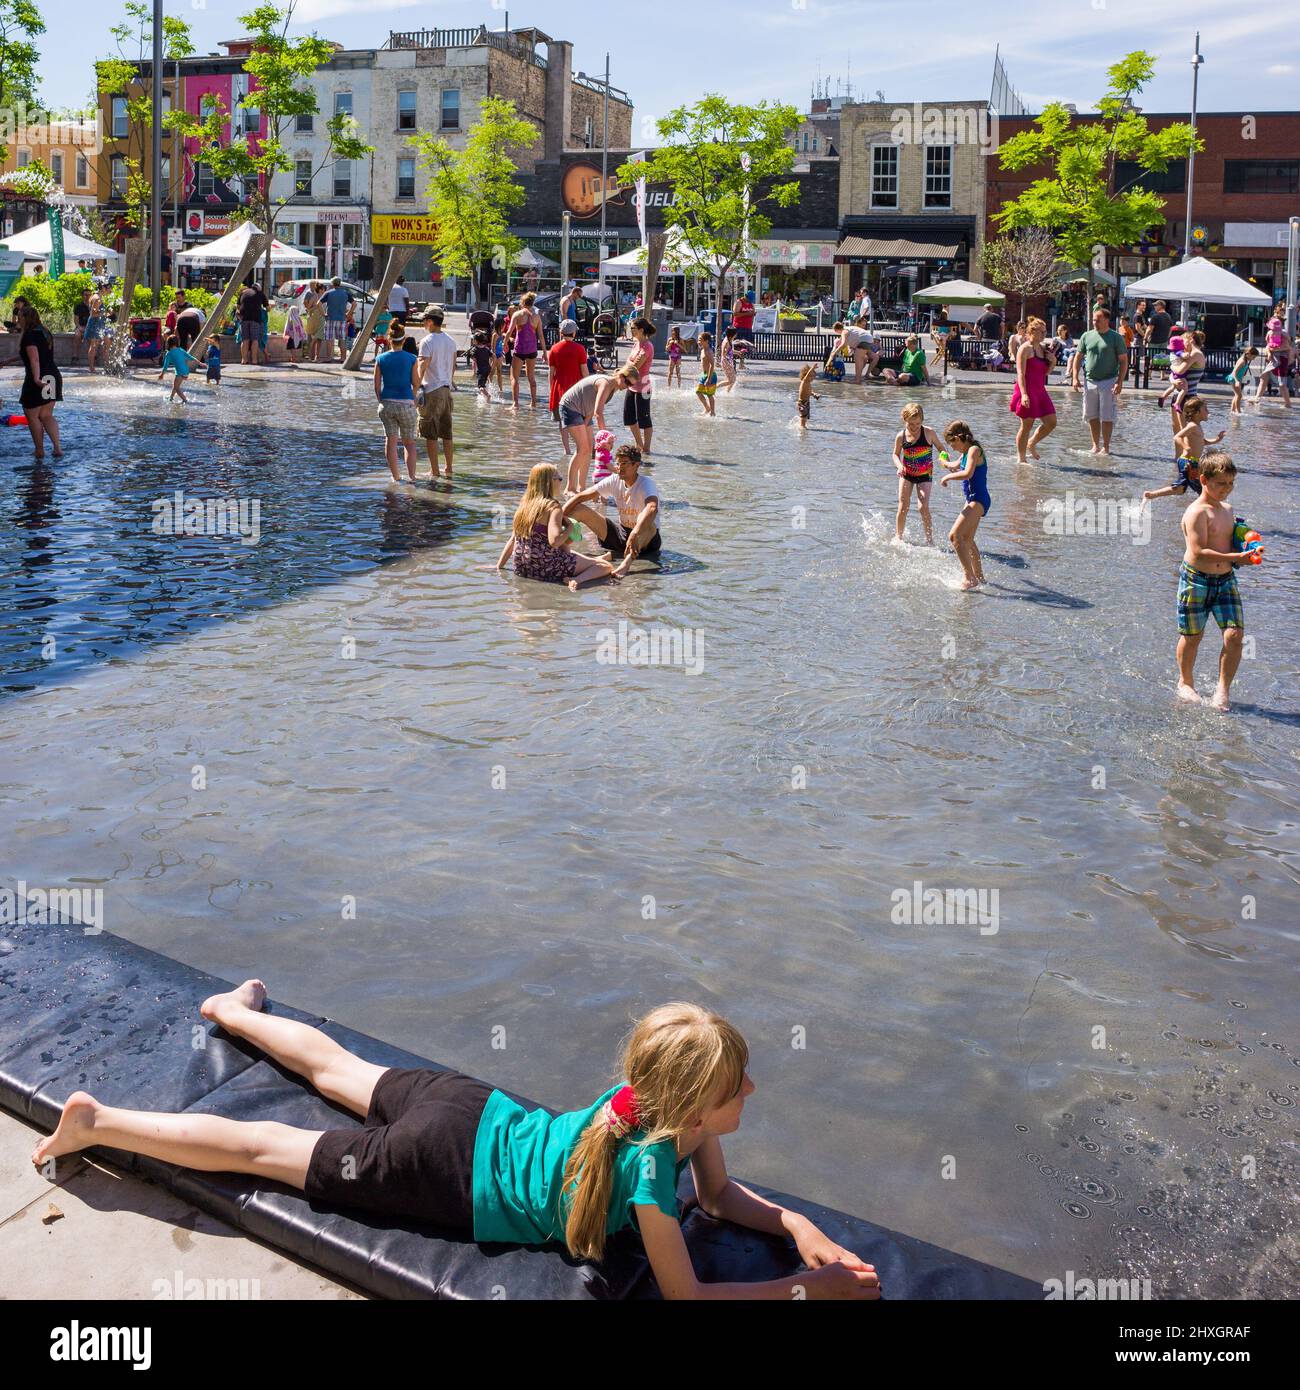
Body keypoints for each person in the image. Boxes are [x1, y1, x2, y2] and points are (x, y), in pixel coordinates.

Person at [35, 991, 879, 1299]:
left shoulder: (650, 1106)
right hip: (439, 1169)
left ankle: (233, 1011)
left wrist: (794, 1228)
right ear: (697, 1105)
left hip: (473, 1109)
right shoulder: (655, 1169)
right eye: (741, 1087)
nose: (753, 1094)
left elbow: (723, 1198)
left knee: (339, 1069)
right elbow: (686, 1297)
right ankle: (97, 1123)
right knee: (264, 1150)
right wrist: (808, 1292)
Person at [1174, 454, 1250, 712]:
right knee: (1193, 635)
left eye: (1231, 483)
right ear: (1204, 480)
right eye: (1221, 484)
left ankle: (1222, 689)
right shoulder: (1196, 512)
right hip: (1196, 580)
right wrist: (1235, 556)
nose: (1227, 489)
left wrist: (1247, 551)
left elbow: (1230, 543)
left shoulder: (1228, 510)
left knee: (1235, 635)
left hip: (1226, 580)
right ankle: (1185, 682)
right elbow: (1198, 552)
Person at [496, 463, 619, 591]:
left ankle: (592, 560)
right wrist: (570, 527)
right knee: (605, 567)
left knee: (568, 552)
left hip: (522, 567)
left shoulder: (524, 505)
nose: (561, 481)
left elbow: (513, 540)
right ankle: (576, 579)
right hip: (547, 567)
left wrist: (499, 566)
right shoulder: (552, 507)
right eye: (559, 478)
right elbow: (554, 542)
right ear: (549, 483)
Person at [563, 444, 662, 576]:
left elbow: (652, 507)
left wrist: (635, 534)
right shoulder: (614, 480)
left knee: (648, 523)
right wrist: (555, 520)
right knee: (578, 509)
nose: (620, 467)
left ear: (636, 465)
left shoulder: (646, 483)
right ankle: (561, 549)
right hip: (622, 534)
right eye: (618, 463)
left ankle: (626, 563)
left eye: (625, 463)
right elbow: (581, 496)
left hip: (646, 540)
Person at [558, 367, 635, 493]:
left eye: (631, 385)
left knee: (589, 450)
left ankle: (581, 488)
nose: (628, 387)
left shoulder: (613, 388)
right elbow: (598, 413)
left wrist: (587, 424)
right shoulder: (605, 383)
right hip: (570, 406)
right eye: (628, 383)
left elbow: (593, 407)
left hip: (584, 411)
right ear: (621, 376)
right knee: (582, 449)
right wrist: (605, 437)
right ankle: (570, 488)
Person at [5, 302, 63, 458]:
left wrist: (37, 379)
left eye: (19, 318)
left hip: (38, 378)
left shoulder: (29, 335)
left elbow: (35, 359)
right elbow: (35, 354)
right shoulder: (44, 332)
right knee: (46, 415)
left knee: (32, 416)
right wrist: (8, 361)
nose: (18, 320)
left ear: (25, 318)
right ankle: (57, 448)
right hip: (52, 376)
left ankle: (39, 450)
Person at [1142, 397, 1224, 505]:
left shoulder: (1197, 426)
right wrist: (1185, 447)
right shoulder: (1192, 426)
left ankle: (1150, 495)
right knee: (1203, 489)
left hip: (1192, 462)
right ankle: (1212, 510)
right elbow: (1177, 437)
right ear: (1197, 412)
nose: (1208, 411)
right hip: (1188, 462)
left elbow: (1201, 442)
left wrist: (1216, 440)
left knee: (1181, 489)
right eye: (1205, 409)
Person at [1069, 306, 1128, 456]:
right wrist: (1075, 377)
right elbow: (1078, 357)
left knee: (1107, 416)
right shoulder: (1086, 336)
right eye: (1094, 320)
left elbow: (1123, 361)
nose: (1095, 322)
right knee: (1091, 415)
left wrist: (1119, 382)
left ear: (1106, 320)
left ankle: (1106, 447)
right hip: (1089, 381)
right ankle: (1095, 445)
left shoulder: (1116, 337)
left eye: (1098, 320)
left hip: (1109, 380)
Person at [939, 420, 989, 591]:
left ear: (960, 438)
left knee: (954, 536)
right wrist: (944, 461)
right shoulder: (966, 452)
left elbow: (967, 473)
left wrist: (947, 478)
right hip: (972, 500)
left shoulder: (974, 450)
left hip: (979, 499)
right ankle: (979, 576)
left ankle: (969, 577)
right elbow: (954, 465)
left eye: (952, 444)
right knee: (967, 539)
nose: (952, 448)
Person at [372, 321, 421, 483]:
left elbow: (376, 385)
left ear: (389, 339)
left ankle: (396, 477)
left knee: (390, 442)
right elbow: (416, 383)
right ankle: (412, 478)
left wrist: (382, 401)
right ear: (404, 339)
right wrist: (412, 398)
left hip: (386, 405)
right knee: (409, 443)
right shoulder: (412, 358)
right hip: (406, 404)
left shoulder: (380, 358)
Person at [415, 306, 458, 479]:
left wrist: (416, 387)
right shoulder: (451, 341)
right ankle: (448, 468)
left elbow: (422, 366)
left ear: (431, 321)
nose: (424, 323)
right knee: (447, 432)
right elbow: (453, 367)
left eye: (425, 320)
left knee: (430, 433)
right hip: (447, 391)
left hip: (432, 390)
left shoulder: (427, 341)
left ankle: (435, 471)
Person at [891, 402, 942, 545]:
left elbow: (941, 448)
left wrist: (945, 459)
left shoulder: (929, 433)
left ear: (922, 421)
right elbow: (895, 454)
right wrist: (899, 466)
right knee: (903, 505)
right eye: (910, 424)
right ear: (904, 421)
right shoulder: (901, 436)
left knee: (922, 506)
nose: (914, 427)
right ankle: (898, 538)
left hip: (925, 475)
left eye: (917, 424)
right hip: (906, 474)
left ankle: (929, 540)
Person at [1008, 316, 1058, 462]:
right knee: (1026, 425)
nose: (1044, 335)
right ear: (1032, 331)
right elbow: (1020, 374)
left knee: (1051, 422)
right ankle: (1021, 458)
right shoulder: (1025, 349)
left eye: (1045, 332)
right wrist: (1024, 395)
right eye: (1041, 332)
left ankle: (1032, 443)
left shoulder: (1042, 349)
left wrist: (1053, 362)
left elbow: (1045, 372)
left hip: (1040, 391)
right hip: (1027, 390)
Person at [546, 317, 588, 456]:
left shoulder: (554, 349)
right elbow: (584, 372)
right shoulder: (580, 349)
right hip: (576, 391)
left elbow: (551, 373)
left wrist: (551, 390)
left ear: (561, 332)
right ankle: (579, 448)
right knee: (578, 421)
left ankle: (566, 450)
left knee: (562, 422)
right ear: (574, 333)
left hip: (559, 390)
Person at [622, 316, 656, 454]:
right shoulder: (636, 343)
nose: (631, 331)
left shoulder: (647, 346)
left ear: (641, 330)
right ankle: (639, 444)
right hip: (631, 385)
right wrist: (629, 364)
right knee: (629, 418)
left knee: (644, 419)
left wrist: (628, 364)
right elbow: (629, 363)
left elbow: (635, 366)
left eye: (633, 328)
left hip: (644, 386)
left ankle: (647, 448)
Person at [507, 291, 543, 408]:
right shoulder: (536, 317)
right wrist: (545, 354)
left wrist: (504, 344)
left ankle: (515, 403)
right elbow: (541, 336)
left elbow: (509, 331)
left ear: (522, 302)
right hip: (532, 350)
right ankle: (533, 403)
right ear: (532, 303)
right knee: (531, 377)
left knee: (514, 377)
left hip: (520, 350)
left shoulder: (517, 315)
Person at [1253, 312, 1292, 408]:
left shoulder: (1284, 334)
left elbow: (1288, 347)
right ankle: (1257, 398)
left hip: (1282, 359)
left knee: (1282, 384)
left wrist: (1274, 349)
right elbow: (1267, 345)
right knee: (1263, 377)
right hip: (1273, 359)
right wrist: (1269, 352)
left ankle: (1288, 403)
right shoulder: (1269, 333)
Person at [158, 333, 202, 403]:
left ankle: (185, 400)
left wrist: (162, 374)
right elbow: (189, 357)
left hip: (180, 372)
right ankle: (171, 398)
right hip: (186, 371)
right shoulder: (180, 349)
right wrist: (199, 362)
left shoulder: (169, 353)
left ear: (168, 343)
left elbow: (165, 366)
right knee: (175, 385)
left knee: (176, 387)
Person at [840, 317, 882, 383]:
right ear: (857, 324)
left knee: (876, 357)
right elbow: (848, 342)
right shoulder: (853, 330)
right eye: (863, 325)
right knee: (864, 358)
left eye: (865, 325)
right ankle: (858, 376)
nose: (864, 326)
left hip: (864, 348)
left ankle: (867, 374)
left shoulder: (862, 331)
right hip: (855, 348)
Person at [321, 277, 352, 364]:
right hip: (342, 318)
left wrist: (323, 314)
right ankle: (343, 358)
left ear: (332, 284)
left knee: (329, 339)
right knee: (342, 339)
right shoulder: (346, 293)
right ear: (340, 283)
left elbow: (318, 303)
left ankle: (329, 357)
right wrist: (348, 314)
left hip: (330, 318)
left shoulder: (328, 293)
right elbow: (354, 304)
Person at [237, 278, 267, 366]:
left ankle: (244, 360)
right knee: (254, 340)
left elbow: (238, 306)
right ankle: (254, 360)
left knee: (245, 339)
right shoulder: (260, 294)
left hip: (244, 319)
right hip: (255, 319)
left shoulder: (243, 293)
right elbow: (267, 308)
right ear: (258, 289)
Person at [1226, 345, 1257, 416]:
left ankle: (1233, 410)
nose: (1254, 359)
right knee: (1239, 396)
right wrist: (1237, 381)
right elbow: (1234, 372)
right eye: (1253, 357)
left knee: (1236, 395)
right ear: (1248, 354)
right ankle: (1238, 412)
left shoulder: (1246, 360)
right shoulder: (1242, 361)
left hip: (1237, 379)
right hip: (1233, 379)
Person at [302, 281, 325, 363]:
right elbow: (308, 308)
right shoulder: (315, 296)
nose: (324, 290)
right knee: (315, 338)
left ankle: (316, 357)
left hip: (322, 318)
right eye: (323, 289)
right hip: (315, 318)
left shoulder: (323, 296)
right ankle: (310, 355)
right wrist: (315, 306)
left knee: (319, 339)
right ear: (320, 289)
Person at [696, 331, 718, 415]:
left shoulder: (708, 351)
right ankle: (707, 408)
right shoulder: (702, 350)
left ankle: (712, 412)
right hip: (704, 374)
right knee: (698, 392)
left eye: (700, 340)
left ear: (706, 341)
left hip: (711, 375)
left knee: (709, 395)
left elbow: (712, 365)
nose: (698, 342)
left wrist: (709, 379)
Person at [84, 292, 106, 373]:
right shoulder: (97, 299)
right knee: (93, 346)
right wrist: (105, 313)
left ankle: (92, 367)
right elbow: (93, 314)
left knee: (93, 346)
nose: (110, 289)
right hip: (94, 324)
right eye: (108, 287)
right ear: (103, 288)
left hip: (96, 323)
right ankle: (91, 368)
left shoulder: (96, 297)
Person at [471, 331, 493, 402]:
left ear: (476, 341)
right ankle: (484, 398)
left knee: (480, 387)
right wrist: (491, 365)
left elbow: (474, 362)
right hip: (488, 369)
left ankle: (488, 396)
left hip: (481, 370)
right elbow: (494, 356)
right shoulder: (486, 348)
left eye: (473, 339)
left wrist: (474, 372)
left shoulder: (474, 350)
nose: (472, 340)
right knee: (483, 383)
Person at [731, 291, 755, 357]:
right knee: (737, 345)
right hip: (739, 327)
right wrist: (747, 313)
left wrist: (753, 314)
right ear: (745, 296)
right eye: (749, 299)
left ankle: (742, 362)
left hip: (748, 327)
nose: (749, 301)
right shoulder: (739, 302)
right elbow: (735, 314)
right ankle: (734, 361)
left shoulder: (751, 304)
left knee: (745, 347)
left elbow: (753, 313)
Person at [796, 363, 819, 430]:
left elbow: (809, 392)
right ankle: (802, 428)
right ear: (805, 375)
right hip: (802, 403)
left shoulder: (808, 383)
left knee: (805, 416)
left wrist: (814, 394)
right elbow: (808, 374)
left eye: (813, 377)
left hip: (806, 402)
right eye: (810, 376)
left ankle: (803, 426)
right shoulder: (804, 381)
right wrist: (812, 368)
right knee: (803, 416)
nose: (812, 378)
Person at [719, 325, 738, 393]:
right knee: (731, 380)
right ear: (732, 334)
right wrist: (728, 364)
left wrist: (738, 352)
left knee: (732, 379)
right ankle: (715, 387)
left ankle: (727, 392)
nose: (736, 334)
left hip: (728, 361)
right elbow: (724, 353)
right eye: (735, 333)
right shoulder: (727, 342)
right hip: (726, 362)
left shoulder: (729, 339)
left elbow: (729, 351)